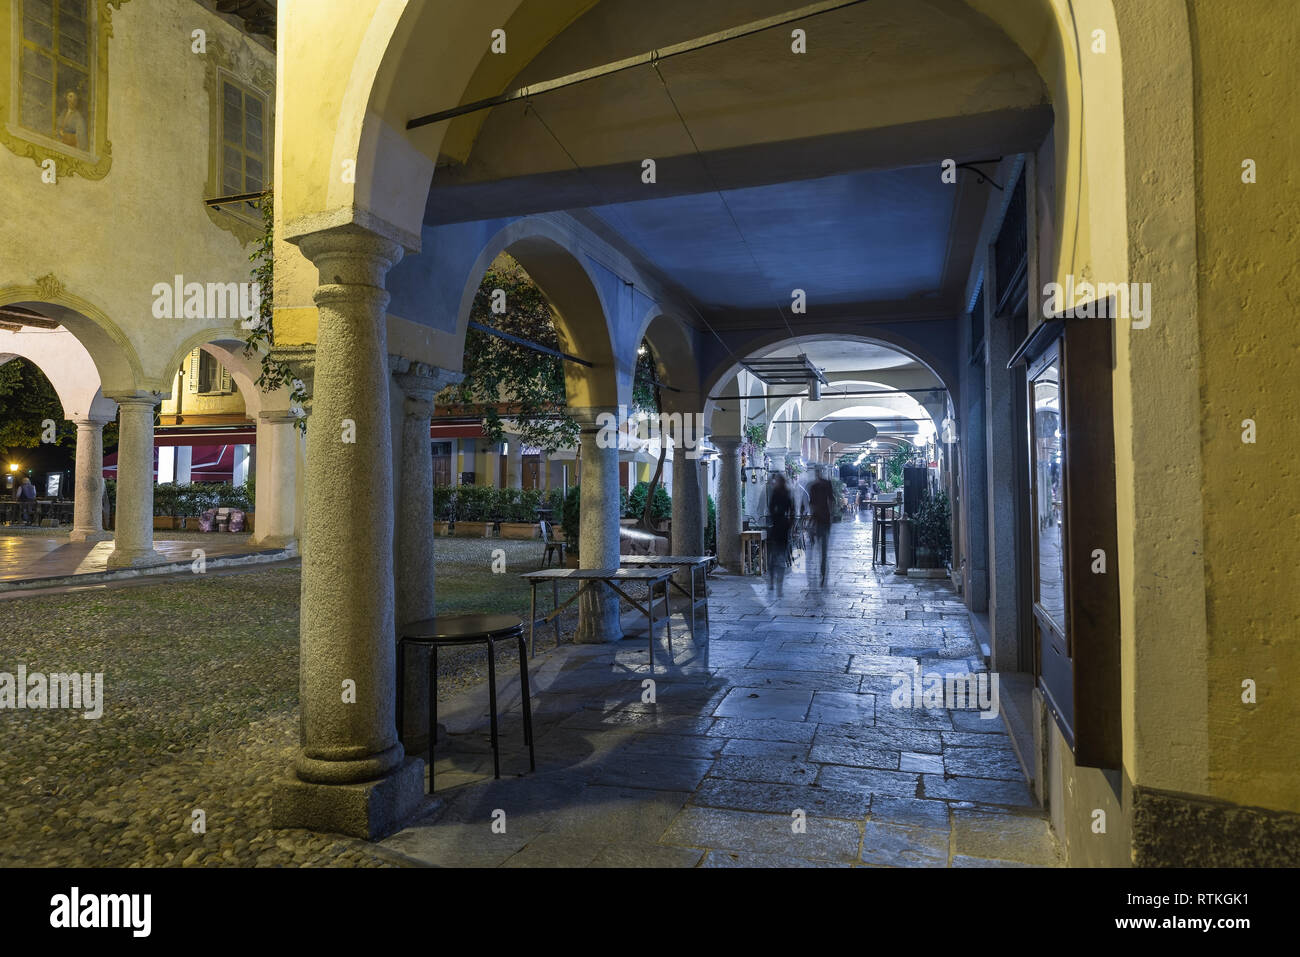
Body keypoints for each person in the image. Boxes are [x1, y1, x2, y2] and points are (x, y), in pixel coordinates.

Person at [765, 473, 794, 598]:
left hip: (776, 527)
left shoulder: (776, 494)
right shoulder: (787, 495)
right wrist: (790, 524)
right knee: (780, 556)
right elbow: (792, 511)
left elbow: (771, 510)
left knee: (772, 557)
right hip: (783, 528)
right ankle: (778, 585)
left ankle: (772, 582)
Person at [807, 467, 834, 587]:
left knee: (819, 548)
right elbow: (831, 501)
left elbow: (812, 504)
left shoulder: (813, 486)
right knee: (823, 549)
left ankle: (820, 572)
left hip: (819, 520)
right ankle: (821, 572)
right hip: (822, 519)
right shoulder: (822, 485)